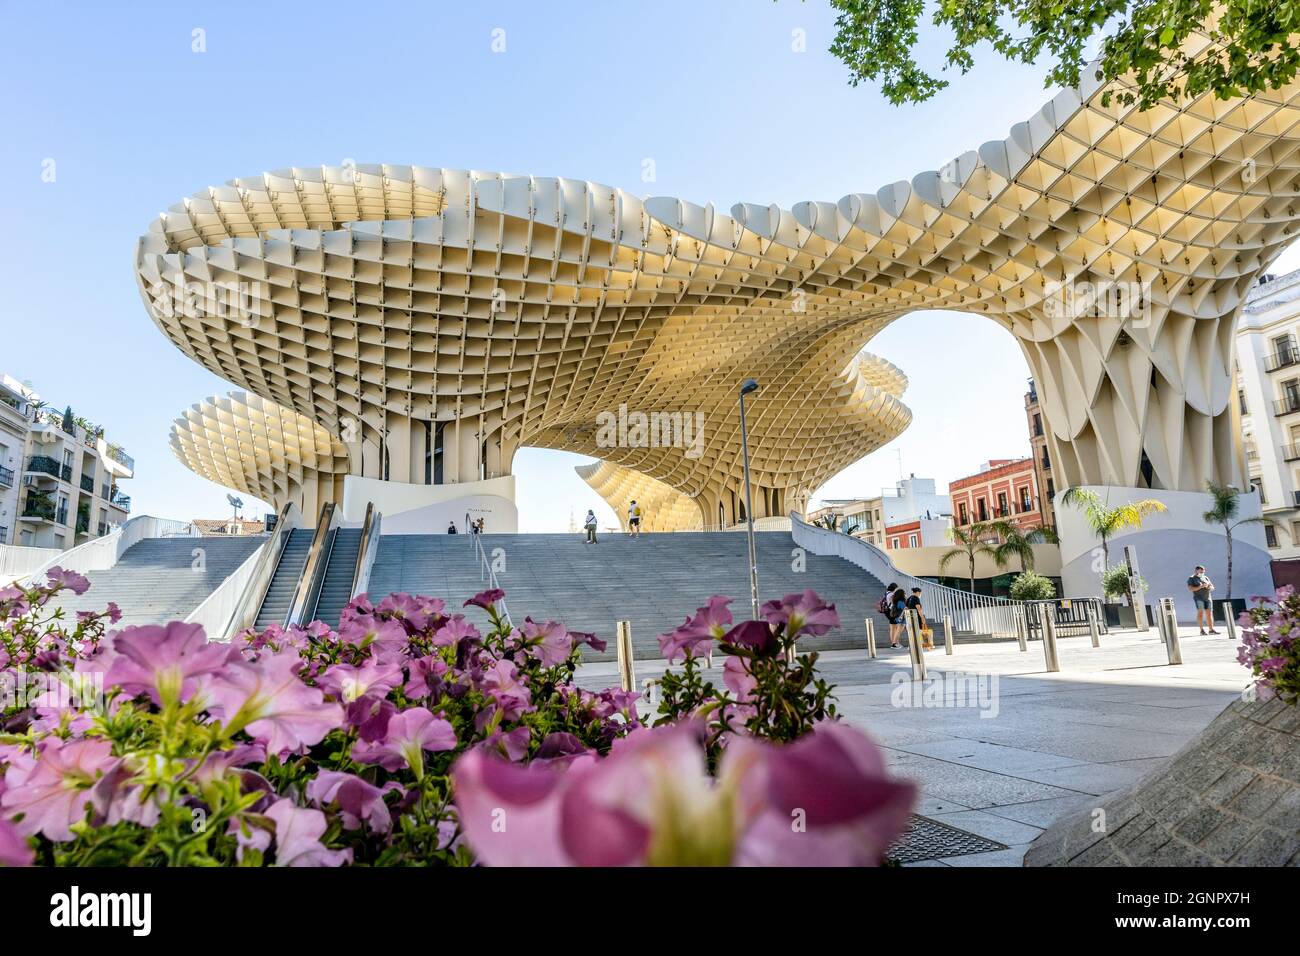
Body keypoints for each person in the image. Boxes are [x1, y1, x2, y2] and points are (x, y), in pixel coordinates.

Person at [1187, 565, 1218, 635]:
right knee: (1200, 613)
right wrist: (1201, 586)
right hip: (1198, 598)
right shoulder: (1192, 578)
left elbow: (1212, 587)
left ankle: (1211, 629)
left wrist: (1209, 587)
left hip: (1208, 598)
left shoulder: (1205, 577)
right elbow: (1190, 589)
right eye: (1201, 571)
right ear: (1196, 570)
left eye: (1203, 571)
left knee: (1209, 613)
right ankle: (1201, 630)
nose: (1202, 573)